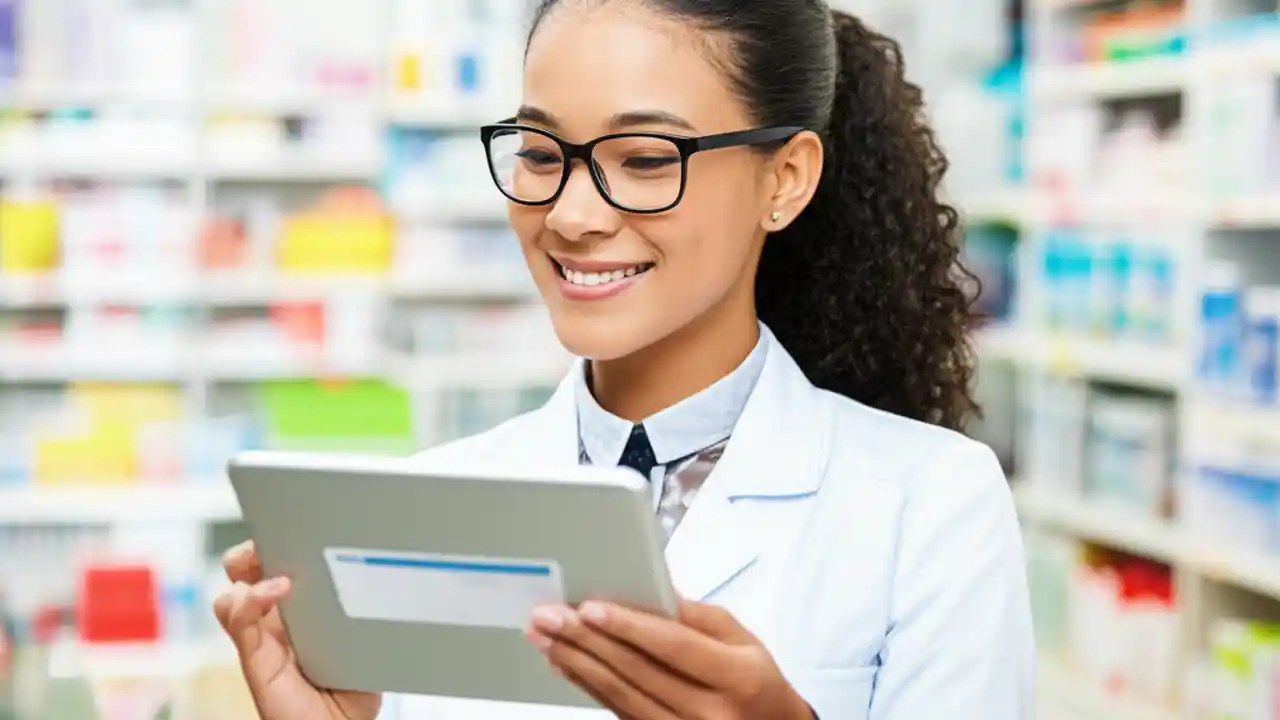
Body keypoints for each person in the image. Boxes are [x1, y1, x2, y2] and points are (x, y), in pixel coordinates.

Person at [212, 1, 1035, 718]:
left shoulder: (931, 505)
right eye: (541, 153)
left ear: (785, 178)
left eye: (644, 160)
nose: (570, 215)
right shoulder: (429, 506)